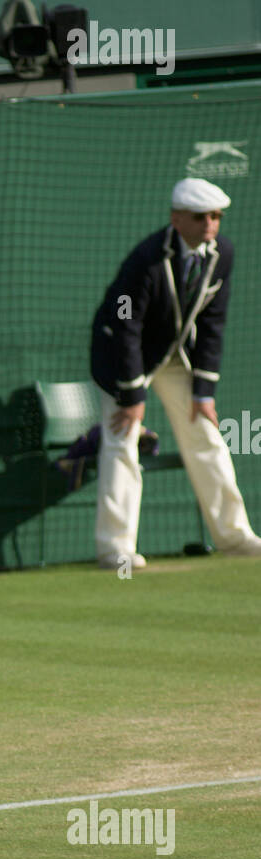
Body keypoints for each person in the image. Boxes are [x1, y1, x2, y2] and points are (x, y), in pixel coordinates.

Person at [90, 177, 261, 568]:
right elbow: (125, 327)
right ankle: (115, 550)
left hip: (173, 356)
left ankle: (235, 537)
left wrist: (204, 391)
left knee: (206, 435)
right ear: (177, 219)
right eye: (201, 217)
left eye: (216, 217)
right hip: (122, 357)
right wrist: (133, 397)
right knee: (122, 438)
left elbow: (213, 324)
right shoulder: (146, 260)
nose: (210, 225)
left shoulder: (223, 253)